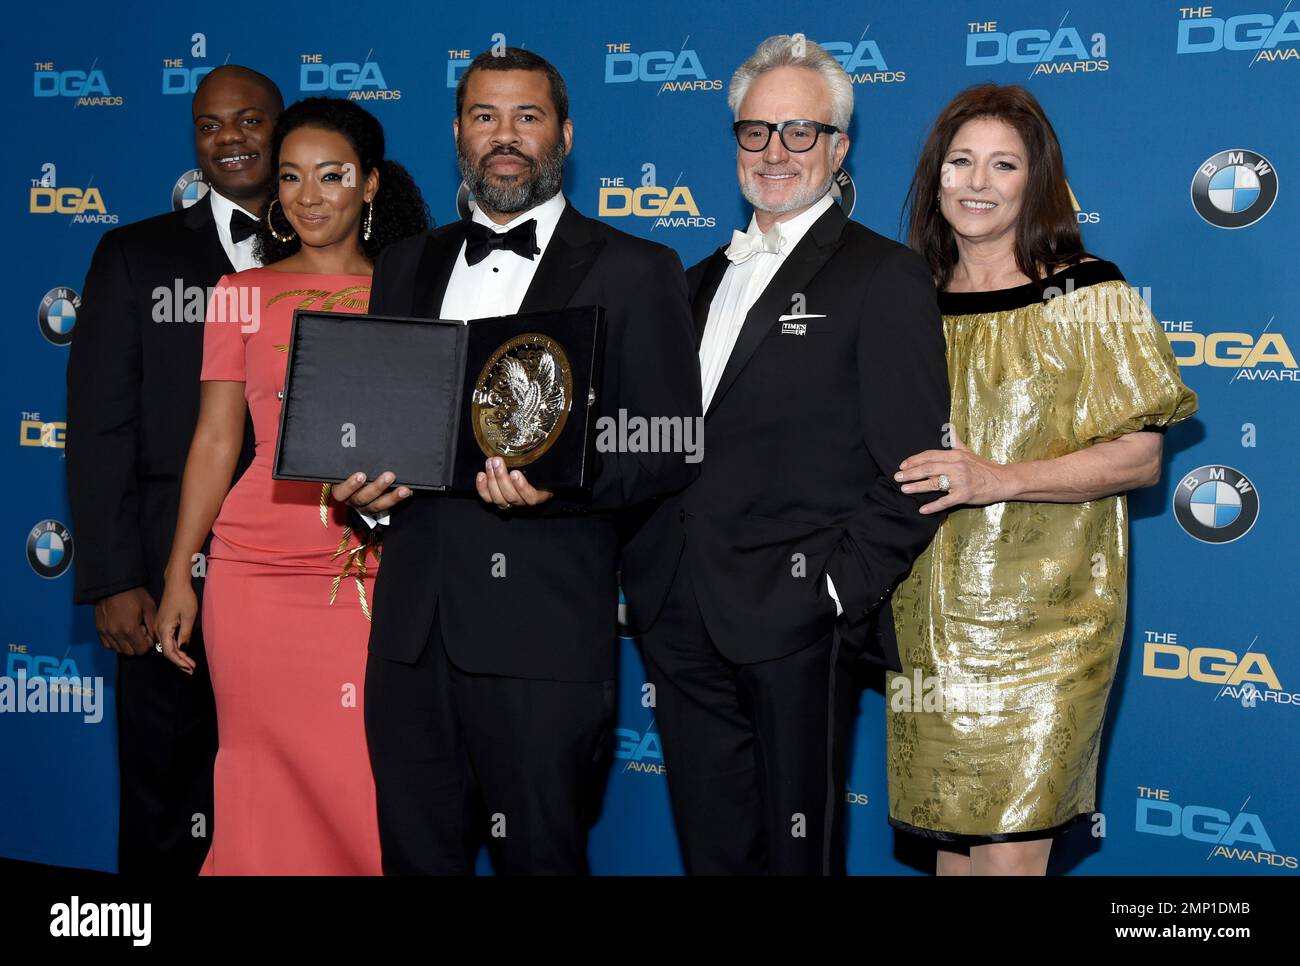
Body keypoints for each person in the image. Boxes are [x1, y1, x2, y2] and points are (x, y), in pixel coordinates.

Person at [334, 47, 701, 875]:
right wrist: (366, 496)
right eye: (485, 117)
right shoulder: (405, 263)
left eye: (527, 117)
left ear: (564, 134)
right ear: (458, 134)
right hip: (411, 638)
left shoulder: (638, 269)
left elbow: (673, 441)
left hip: (543, 637)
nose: (506, 136)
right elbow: (389, 424)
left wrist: (559, 481)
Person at [619, 35, 951, 875]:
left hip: (797, 615)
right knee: (713, 849)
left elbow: (914, 466)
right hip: (677, 611)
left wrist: (836, 590)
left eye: (799, 132)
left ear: (838, 148)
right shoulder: (689, 282)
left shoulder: (884, 276)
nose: (774, 152)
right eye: (755, 131)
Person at [889, 83, 1198, 875]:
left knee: (1008, 862)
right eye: (961, 162)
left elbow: (1141, 455)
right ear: (936, 177)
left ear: (1037, 183)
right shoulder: (905, 300)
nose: (978, 182)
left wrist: (1000, 478)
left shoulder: (1086, 291)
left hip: (1047, 625)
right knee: (954, 860)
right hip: (928, 623)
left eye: (1003, 165)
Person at [154, 97, 431, 874]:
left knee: (363, 779)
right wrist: (181, 569)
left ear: (371, 184)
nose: (309, 197)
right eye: (291, 178)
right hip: (252, 574)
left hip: (372, 574)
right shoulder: (238, 292)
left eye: (333, 176)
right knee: (255, 775)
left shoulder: (411, 297)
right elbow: (215, 439)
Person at [65, 65, 281, 875]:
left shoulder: (342, 255)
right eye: (210, 125)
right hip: (166, 571)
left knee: (288, 784)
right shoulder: (134, 254)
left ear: (279, 128)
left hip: (303, 572)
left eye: (249, 120)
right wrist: (116, 577)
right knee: (165, 792)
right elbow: (98, 427)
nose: (230, 139)